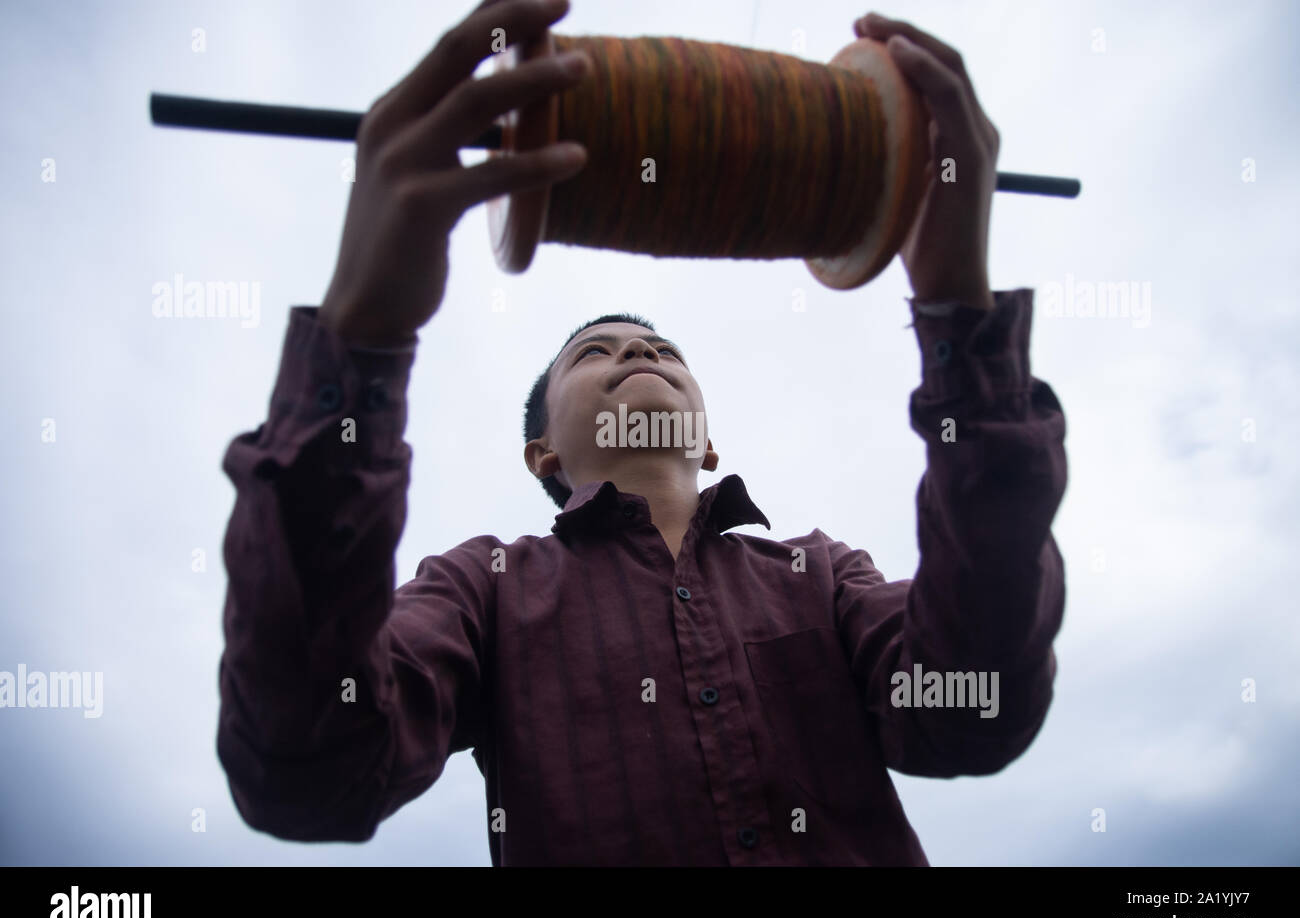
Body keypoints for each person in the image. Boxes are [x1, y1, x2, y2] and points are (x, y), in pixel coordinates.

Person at [216, 0, 1067, 865]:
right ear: (541, 452)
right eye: (596, 352)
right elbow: (307, 773)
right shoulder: (484, 589)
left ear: (707, 442)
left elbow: (976, 709)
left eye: (662, 347)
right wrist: (362, 336)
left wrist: (961, 308)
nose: (637, 349)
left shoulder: (824, 576)